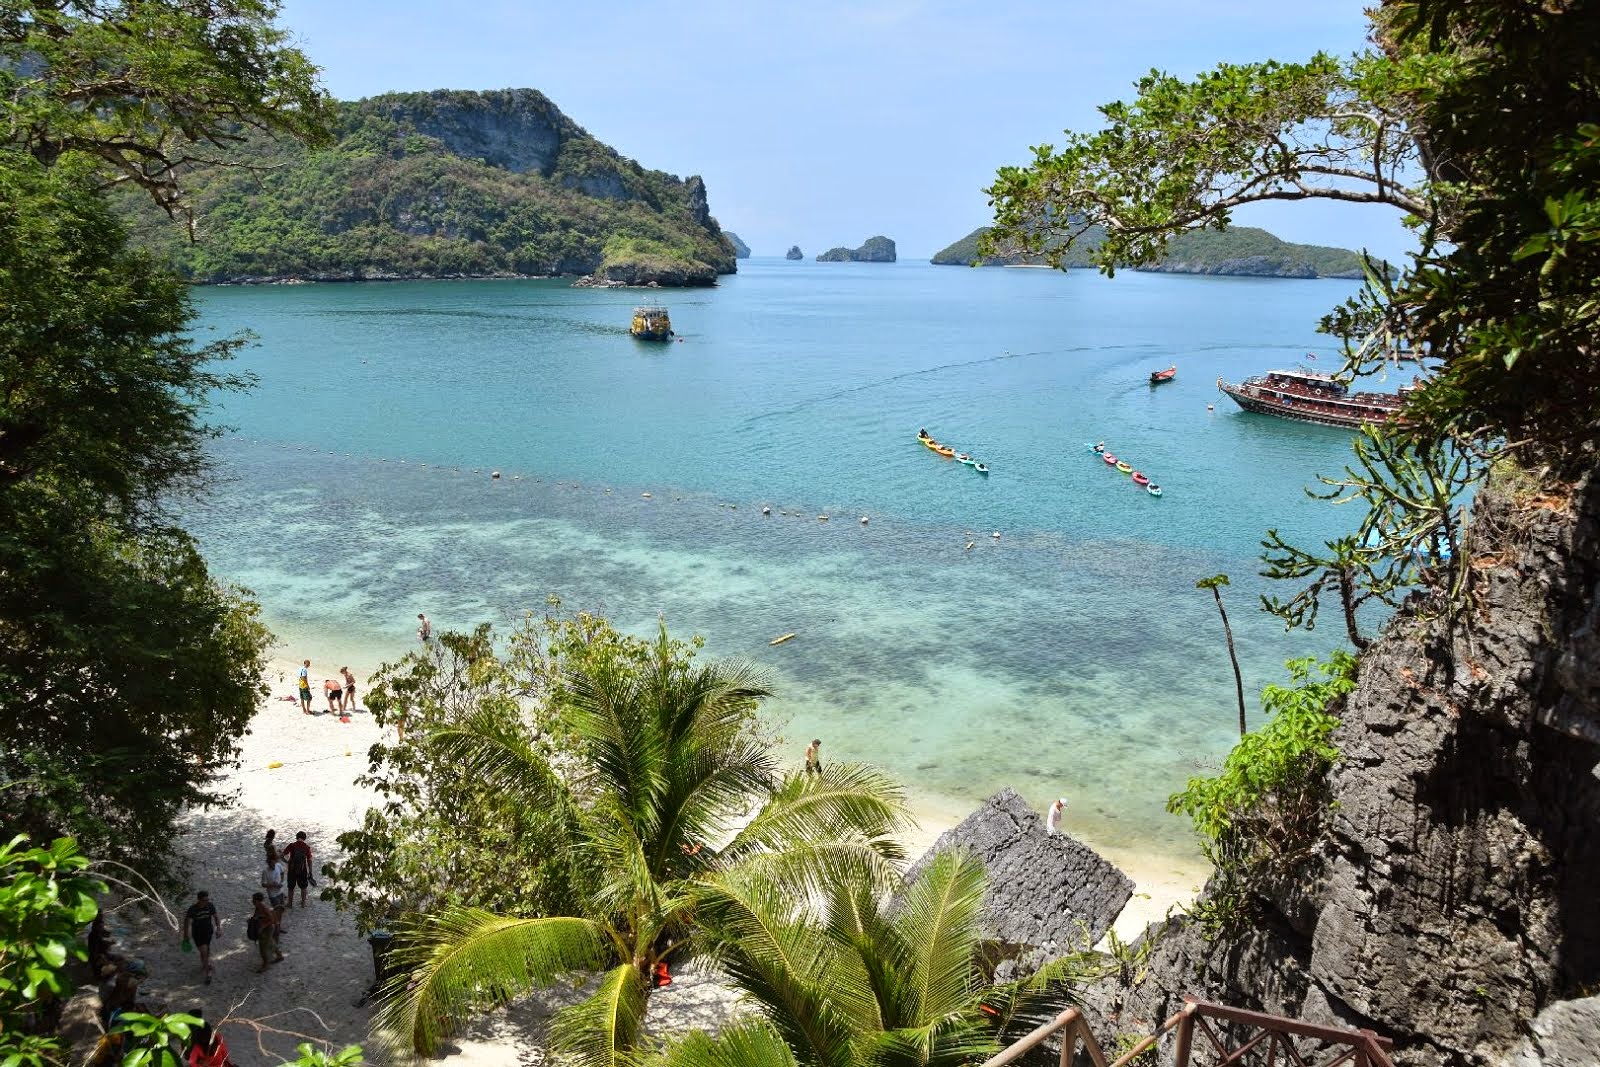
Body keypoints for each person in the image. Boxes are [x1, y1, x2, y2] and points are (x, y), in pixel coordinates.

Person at [182, 891, 220, 984]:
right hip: (197, 934)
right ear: (199, 900)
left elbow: (216, 917)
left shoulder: (210, 906)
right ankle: (207, 966)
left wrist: (218, 929)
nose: (206, 901)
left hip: (208, 932)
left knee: (205, 950)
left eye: (207, 900)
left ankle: (207, 969)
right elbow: (188, 923)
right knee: (203, 951)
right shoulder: (193, 909)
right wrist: (186, 936)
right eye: (204, 900)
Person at [250, 892, 283, 973]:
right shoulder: (258, 907)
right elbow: (257, 916)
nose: (252, 901)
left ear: (257, 900)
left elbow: (271, 920)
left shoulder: (264, 908)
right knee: (271, 943)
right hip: (263, 929)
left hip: (267, 929)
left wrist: (262, 927)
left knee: (263, 948)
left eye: (253, 900)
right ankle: (279, 956)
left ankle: (265, 964)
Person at [282, 831, 314, 908]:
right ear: (304, 838)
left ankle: (290, 904)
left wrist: (286, 862)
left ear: (296, 837)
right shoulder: (307, 847)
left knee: (291, 887)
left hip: (292, 869)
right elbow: (309, 860)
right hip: (302, 870)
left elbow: (282, 855)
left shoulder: (292, 845)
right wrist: (310, 872)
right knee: (303, 887)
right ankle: (303, 903)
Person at [260, 854, 288, 933]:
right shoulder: (265, 871)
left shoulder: (278, 866)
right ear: (268, 863)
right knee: (276, 911)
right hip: (272, 895)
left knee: (280, 911)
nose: (273, 866)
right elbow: (263, 884)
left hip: (280, 892)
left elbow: (282, 872)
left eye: (274, 863)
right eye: (271, 864)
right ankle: (276, 927)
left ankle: (278, 926)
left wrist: (282, 881)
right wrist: (273, 885)